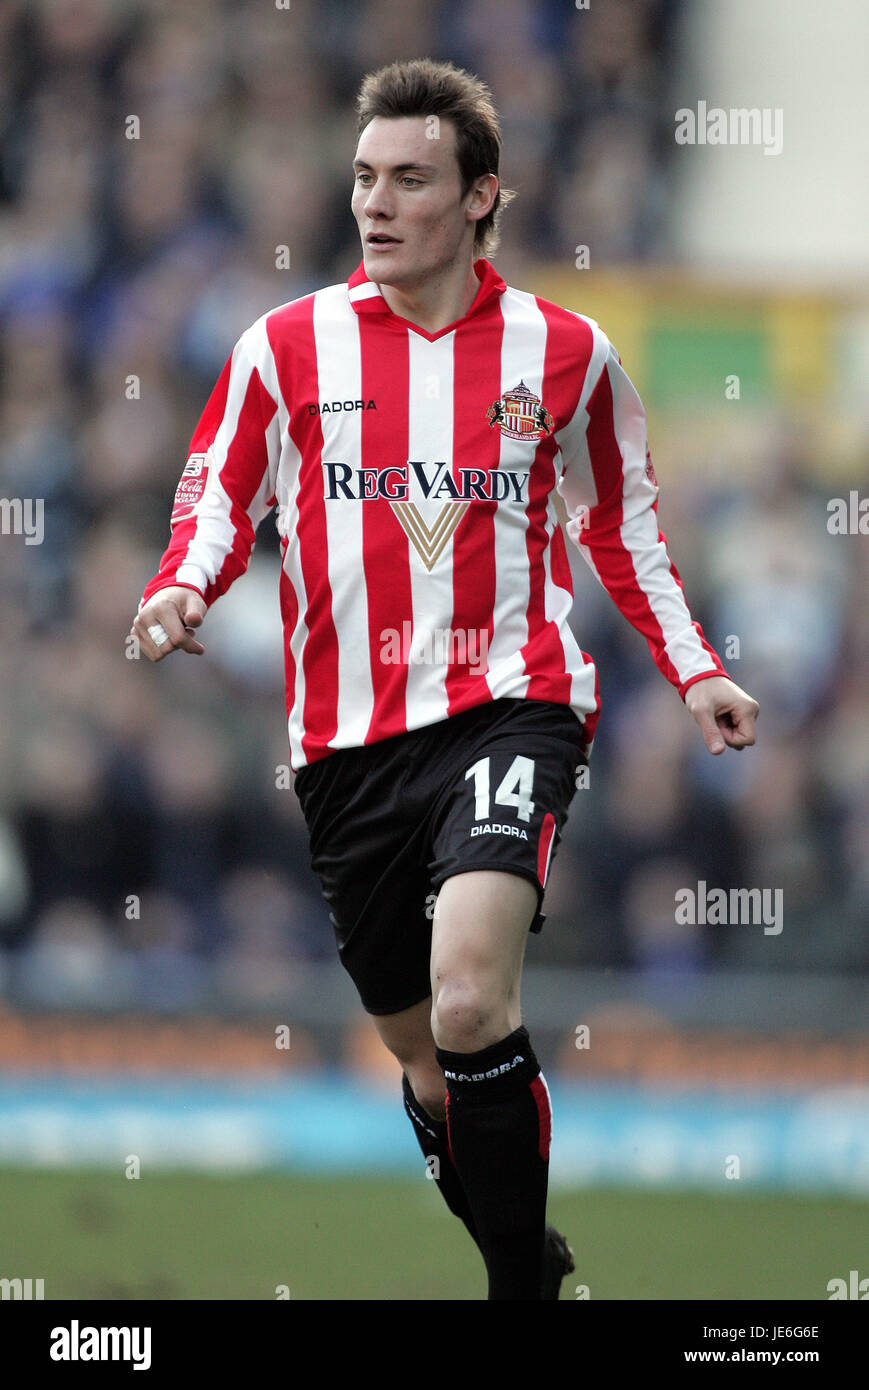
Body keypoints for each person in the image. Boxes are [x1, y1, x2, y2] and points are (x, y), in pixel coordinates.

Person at [130, 58, 758, 1300]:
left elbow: (619, 527)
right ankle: (539, 1267)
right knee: (425, 1062)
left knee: (471, 999)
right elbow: (218, 489)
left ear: (480, 199)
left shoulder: (564, 354)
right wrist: (181, 586)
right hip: (344, 747)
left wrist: (693, 670)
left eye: (409, 178)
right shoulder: (285, 345)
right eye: (363, 176)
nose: (375, 201)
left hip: (509, 706)